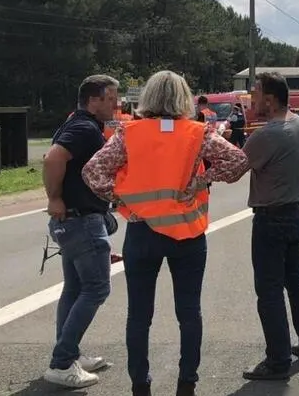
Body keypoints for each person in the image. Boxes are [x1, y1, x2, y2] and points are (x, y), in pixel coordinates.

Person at [82, 70, 249, 396]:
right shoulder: (200, 132)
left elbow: (93, 171)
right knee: (189, 313)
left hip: (142, 233)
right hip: (188, 234)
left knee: (139, 316)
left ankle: (140, 387)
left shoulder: (128, 133)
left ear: (148, 98)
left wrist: (118, 197)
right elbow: (238, 161)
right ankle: (187, 384)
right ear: (183, 98)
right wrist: (202, 180)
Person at [41, 74, 120, 389]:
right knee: (96, 289)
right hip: (81, 220)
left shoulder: (77, 123)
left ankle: (69, 353)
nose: (117, 104)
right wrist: (54, 197)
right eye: (111, 98)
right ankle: (62, 363)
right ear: (94, 99)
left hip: (73, 221)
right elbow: (52, 158)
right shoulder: (84, 128)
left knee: (74, 289)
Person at [241, 71, 299, 381]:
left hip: (270, 218)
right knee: (295, 280)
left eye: (256, 94)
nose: (252, 99)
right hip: (295, 213)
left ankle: (277, 361)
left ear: (270, 100)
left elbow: (233, 169)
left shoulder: (267, 134)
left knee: (269, 291)